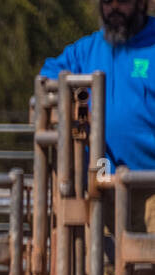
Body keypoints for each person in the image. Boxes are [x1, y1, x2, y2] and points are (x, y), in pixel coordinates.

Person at [41, 0, 155, 233]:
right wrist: (71, 102)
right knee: (103, 267)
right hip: (100, 184)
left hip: (150, 186)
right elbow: (48, 76)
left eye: (122, 1)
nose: (114, 8)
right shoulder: (87, 50)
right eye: (106, 2)